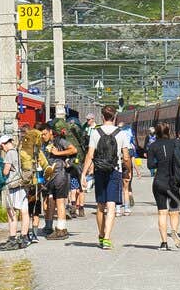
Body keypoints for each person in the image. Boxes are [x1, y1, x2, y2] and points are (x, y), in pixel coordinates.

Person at [82, 104, 126, 249]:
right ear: (115, 117)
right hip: (115, 170)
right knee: (111, 205)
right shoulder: (121, 133)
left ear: (102, 117)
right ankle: (107, 237)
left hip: (99, 171)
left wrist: (83, 173)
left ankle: (101, 235)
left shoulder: (95, 132)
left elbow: (90, 155)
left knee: (100, 205)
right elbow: (126, 156)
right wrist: (129, 169)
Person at [146, 122, 180, 250]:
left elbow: (150, 165)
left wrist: (160, 163)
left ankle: (163, 243)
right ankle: (174, 231)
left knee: (162, 213)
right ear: (169, 131)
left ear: (156, 132)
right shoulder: (176, 143)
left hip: (159, 182)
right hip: (174, 182)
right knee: (174, 212)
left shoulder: (153, 146)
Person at [43, 122, 79, 239]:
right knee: (52, 200)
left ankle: (61, 230)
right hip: (52, 177)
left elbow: (73, 150)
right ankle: (54, 227)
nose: (43, 136)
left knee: (60, 202)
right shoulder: (46, 143)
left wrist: (58, 153)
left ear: (51, 132)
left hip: (61, 175)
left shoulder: (59, 141)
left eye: (45, 134)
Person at [0, 133, 32, 249]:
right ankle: (23, 238)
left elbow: (6, 172)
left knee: (11, 213)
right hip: (22, 184)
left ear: (3, 144)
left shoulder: (9, 154)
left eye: (2, 146)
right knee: (24, 212)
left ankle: (12, 238)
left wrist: (2, 171)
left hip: (13, 185)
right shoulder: (19, 152)